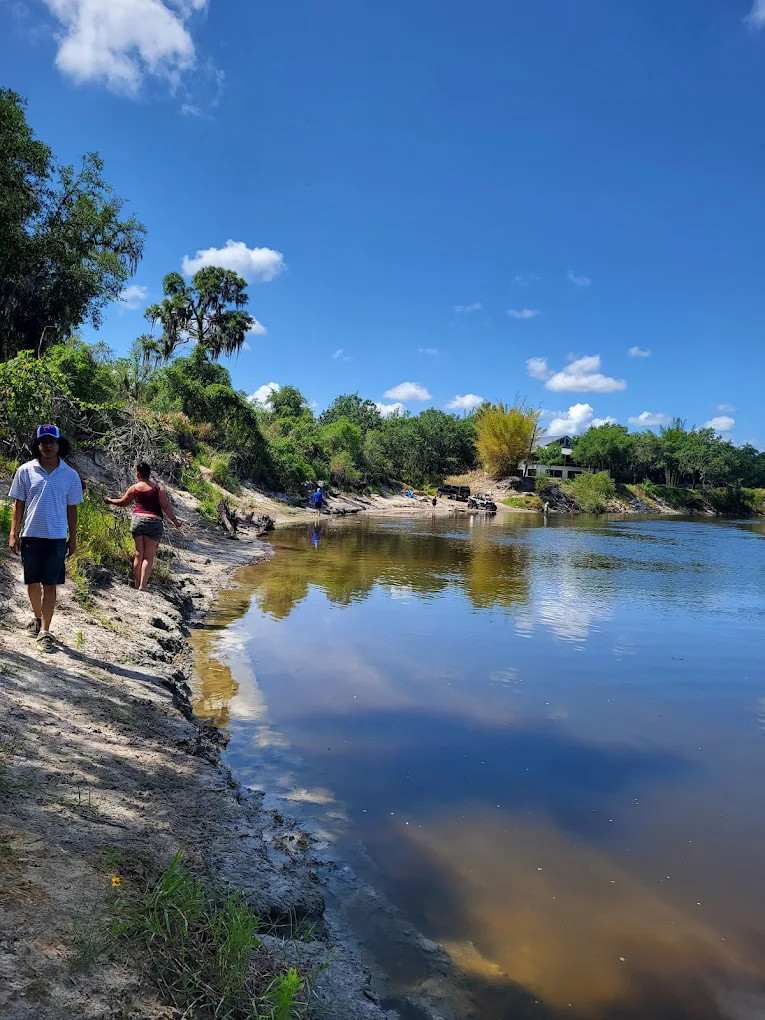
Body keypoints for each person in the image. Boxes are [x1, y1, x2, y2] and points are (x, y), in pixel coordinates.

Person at [7, 424, 84, 652]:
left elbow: (72, 508)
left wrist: (73, 538)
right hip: (30, 534)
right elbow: (18, 505)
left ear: (60, 444)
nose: (47, 446)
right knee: (32, 583)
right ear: (37, 445)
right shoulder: (25, 471)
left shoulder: (70, 475)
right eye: (43, 442)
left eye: (52, 441)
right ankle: (37, 617)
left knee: (50, 584)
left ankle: (46, 631)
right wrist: (13, 533)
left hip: (57, 537)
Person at [105, 463, 181, 591]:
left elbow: (123, 502)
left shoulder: (134, 488)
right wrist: (175, 521)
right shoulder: (158, 489)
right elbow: (166, 507)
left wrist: (110, 500)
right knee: (148, 556)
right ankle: (143, 586)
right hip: (153, 522)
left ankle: (136, 584)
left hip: (138, 521)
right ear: (149, 473)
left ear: (138, 473)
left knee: (138, 554)